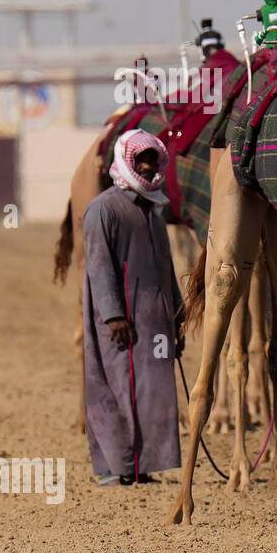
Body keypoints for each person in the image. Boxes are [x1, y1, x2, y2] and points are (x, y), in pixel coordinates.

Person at [82, 130, 184, 486]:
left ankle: (141, 466)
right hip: (120, 324)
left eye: (153, 160)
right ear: (126, 160)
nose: (147, 166)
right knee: (116, 389)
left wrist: (179, 317)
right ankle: (116, 467)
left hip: (155, 323)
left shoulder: (152, 212)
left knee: (151, 393)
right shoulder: (104, 209)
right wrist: (113, 315)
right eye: (141, 159)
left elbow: (167, 270)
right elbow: (98, 265)